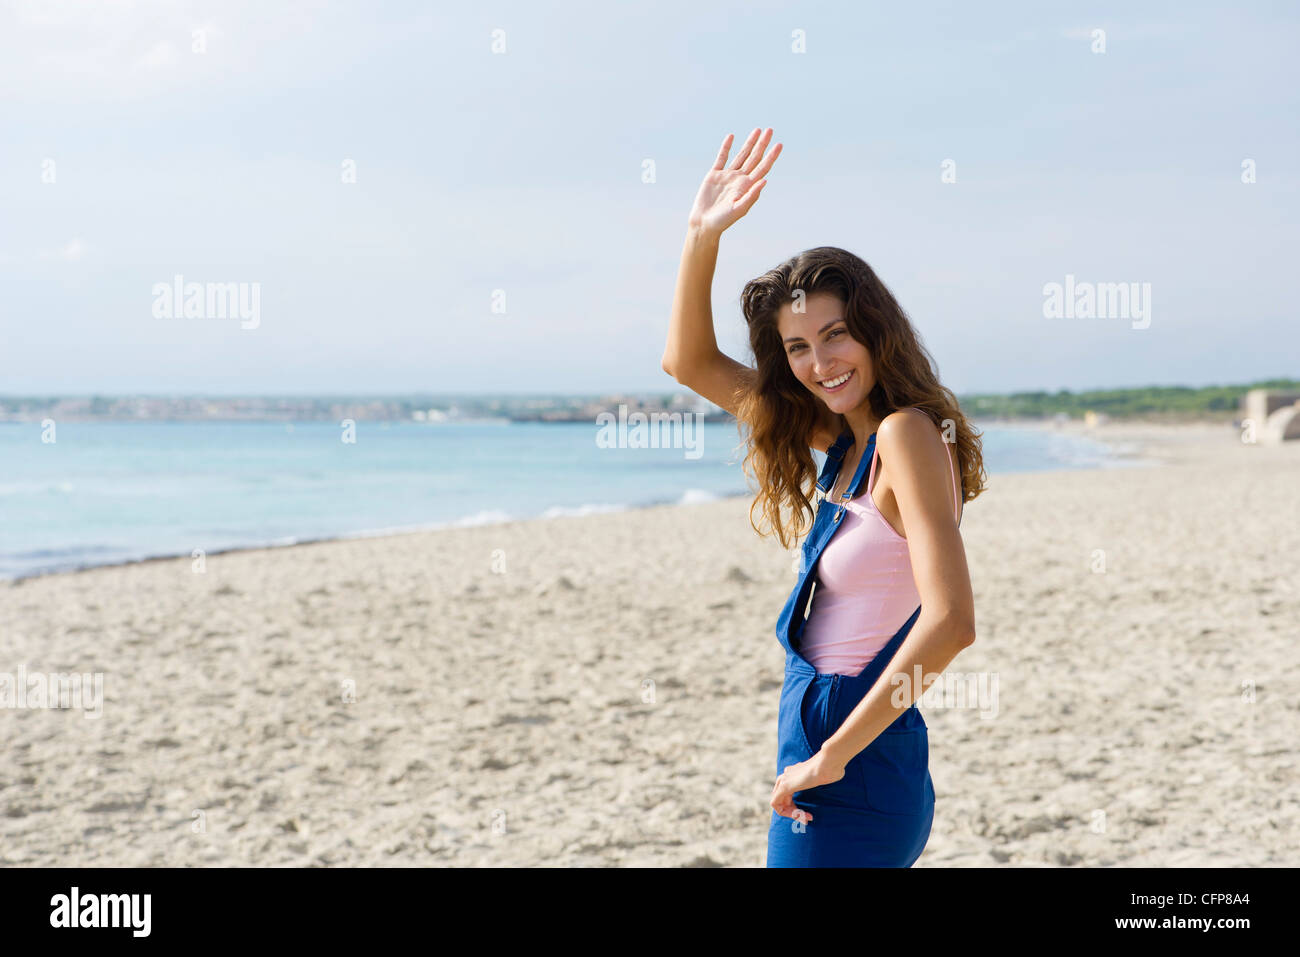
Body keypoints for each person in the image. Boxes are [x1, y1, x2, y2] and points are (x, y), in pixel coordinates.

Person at [661, 128, 987, 866]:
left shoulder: (905, 435)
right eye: (798, 347)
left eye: (834, 335)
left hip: (854, 759)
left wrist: (834, 754)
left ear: (874, 331)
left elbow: (952, 622)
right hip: (824, 745)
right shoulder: (845, 443)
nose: (820, 362)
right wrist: (699, 236)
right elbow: (686, 361)